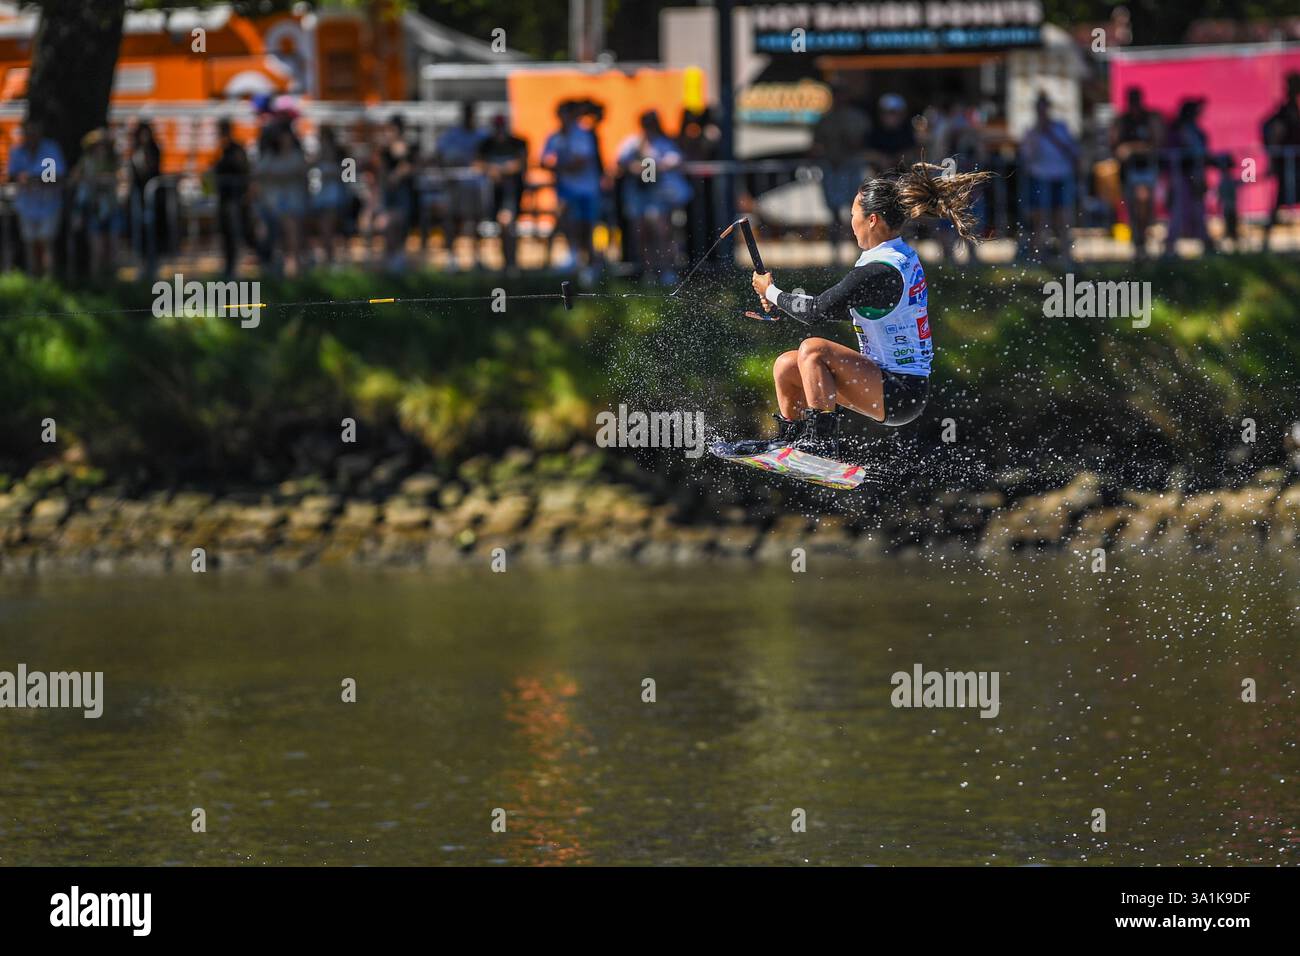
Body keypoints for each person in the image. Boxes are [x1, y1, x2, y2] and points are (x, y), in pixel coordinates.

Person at [734, 164, 991, 459]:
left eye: (854, 213)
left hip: (902, 392)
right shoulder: (891, 257)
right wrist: (778, 298)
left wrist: (770, 292)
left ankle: (820, 445)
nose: (850, 220)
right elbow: (838, 308)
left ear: (872, 219)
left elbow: (817, 311)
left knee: (813, 350)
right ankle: (790, 442)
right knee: (786, 366)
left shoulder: (881, 270)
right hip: (878, 379)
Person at [615, 109, 691, 286]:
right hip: (638, 195)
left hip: (658, 196)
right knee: (642, 234)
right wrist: (638, 168)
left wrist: (655, 167)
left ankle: (666, 270)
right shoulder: (633, 143)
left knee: (662, 233)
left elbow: (676, 160)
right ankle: (649, 272)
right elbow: (620, 161)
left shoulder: (663, 143)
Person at [541, 100, 604, 280]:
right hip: (566, 189)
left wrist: (558, 166)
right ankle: (574, 257)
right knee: (569, 224)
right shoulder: (555, 137)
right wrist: (561, 166)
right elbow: (543, 160)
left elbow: (580, 163)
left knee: (587, 227)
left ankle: (591, 264)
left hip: (587, 190)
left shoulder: (583, 135)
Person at [812, 87, 869, 262]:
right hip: (832, 168)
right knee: (835, 214)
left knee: (857, 212)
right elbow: (816, 145)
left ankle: (859, 252)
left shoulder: (857, 117)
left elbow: (863, 142)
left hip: (851, 167)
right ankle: (836, 255)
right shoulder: (825, 119)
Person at [1019, 93, 1078, 263]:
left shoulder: (1061, 127)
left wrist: (1050, 134)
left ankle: (1066, 257)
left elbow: (1073, 150)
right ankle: (1037, 258)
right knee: (1040, 220)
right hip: (1040, 177)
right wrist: (1038, 134)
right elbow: (1028, 157)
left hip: (1061, 176)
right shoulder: (1031, 132)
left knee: (1063, 219)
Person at [7, 116, 65, 277]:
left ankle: (48, 279)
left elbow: (57, 177)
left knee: (46, 241)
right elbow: (11, 176)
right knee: (30, 243)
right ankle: (33, 279)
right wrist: (20, 177)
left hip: (48, 204)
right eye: (28, 132)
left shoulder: (50, 149)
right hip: (26, 205)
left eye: (34, 132)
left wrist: (35, 179)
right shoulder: (17, 151)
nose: (31, 135)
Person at [1111, 87, 1162, 259]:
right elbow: (1116, 148)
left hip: (1145, 169)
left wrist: (1132, 148)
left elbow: (1156, 144)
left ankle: (1142, 238)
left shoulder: (1149, 119)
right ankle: (1138, 241)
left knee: (1144, 202)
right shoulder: (1122, 121)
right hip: (1128, 171)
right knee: (1132, 207)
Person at [434, 103, 485, 270]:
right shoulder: (452, 136)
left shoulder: (481, 134)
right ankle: (452, 258)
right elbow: (439, 156)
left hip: (474, 185)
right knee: (453, 221)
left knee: (475, 221)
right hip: (455, 184)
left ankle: (476, 258)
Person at [476, 114, 528, 273]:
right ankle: (505, 263)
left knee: (507, 224)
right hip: (491, 194)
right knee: (497, 226)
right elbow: (477, 163)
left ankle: (511, 262)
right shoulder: (486, 144)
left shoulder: (518, 142)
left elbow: (521, 163)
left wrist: (500, 170)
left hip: (511, 192)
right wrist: (492, 170)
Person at [71, 128, 122, 280]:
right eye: (98, 145)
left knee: (113, 248)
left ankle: (113, 282)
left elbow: (120, 179)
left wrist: (103, 179)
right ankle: (97, 283)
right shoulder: (85, 163)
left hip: (112, 209)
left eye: (104, 145)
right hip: (94, 210)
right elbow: (75, 180)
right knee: (96, 249)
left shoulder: (114, 163)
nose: (101, 148)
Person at [1164, 98, 1212, 255]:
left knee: (1199, 210)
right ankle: (1170, 247)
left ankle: (1206, 243)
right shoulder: (1178, 130)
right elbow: (1173, 155)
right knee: (1178, 212)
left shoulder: (1195, 130)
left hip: (1195, 174)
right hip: (1181, 176)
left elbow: (1202, 154)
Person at [1263, 72, 1300, 251]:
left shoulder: (1292, 110)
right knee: (1279, 201)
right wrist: (1272, 159)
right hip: (1289, 165)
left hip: (1293, 163)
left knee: (1279, 202)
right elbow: (1274, 133)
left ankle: (1266, 240)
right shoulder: (1286, 111)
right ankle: (1266, 241)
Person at [210, 118, 252, 276]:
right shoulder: (222, 150)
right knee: (227, 234)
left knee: (241, 234)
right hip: (225, 199)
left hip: (236, 199)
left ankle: (238, 267)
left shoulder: (236, 150)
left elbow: (243, 171)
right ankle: (229, 267)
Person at [864, 93, 917, 174]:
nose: (889, 116)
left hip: (903, 174)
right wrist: (880, 158)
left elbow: (914, 151)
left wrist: (897, 158)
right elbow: (865, 153)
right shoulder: (873, 131)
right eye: (885, 112)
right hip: (877, 173)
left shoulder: (909, 131)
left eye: (893, 112)